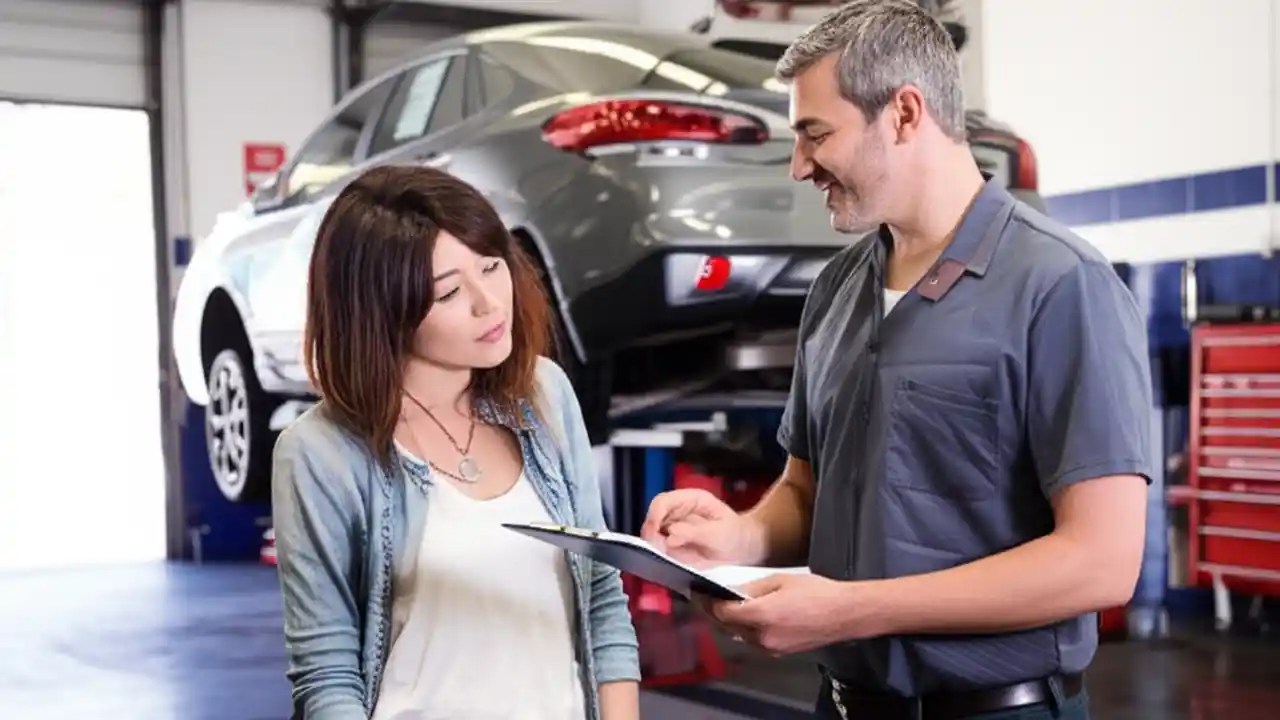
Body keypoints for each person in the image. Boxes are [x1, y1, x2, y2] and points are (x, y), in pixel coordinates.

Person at [640, 2, 1153, 719]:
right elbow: (805, 491)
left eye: (816, 134)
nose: (798, 166)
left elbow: (1100, 563)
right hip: (847, 703)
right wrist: (740, 533)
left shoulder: (1062, 286)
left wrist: (852, 610)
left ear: (905, 113)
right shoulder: (836, 290)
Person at [271, 165, 640, 720]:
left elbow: (602, 596)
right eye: (447, 292)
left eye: (492, 267)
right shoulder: (320, 453)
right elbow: (327, 674)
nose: (489, 303)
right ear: (382, 310)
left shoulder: (544, 394)